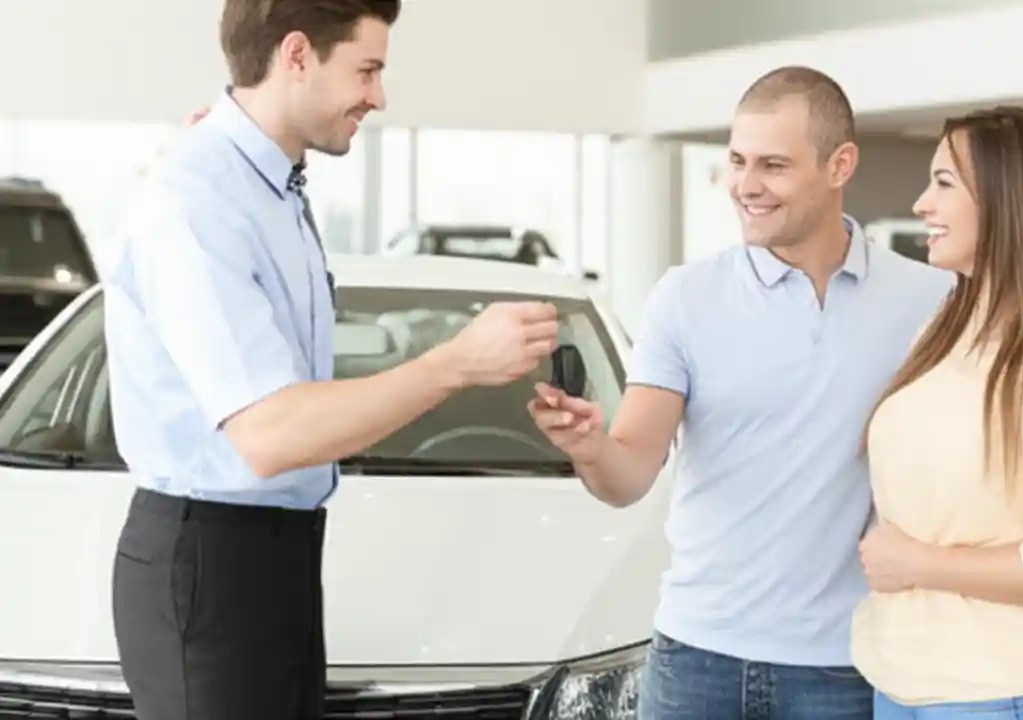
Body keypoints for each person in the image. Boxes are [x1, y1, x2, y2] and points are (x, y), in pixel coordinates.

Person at [104, 1, 558, 718]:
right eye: (368, 69)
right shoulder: (197, 198)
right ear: (296, 55)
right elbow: (270, 432)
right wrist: (458, 363)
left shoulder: (269, 188)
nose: (379, 96)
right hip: (210, 565)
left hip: (275, 560)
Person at [529, 66, 953, 719]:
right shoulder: (684, 297)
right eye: (736, 161)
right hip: (695, 657)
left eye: (774, 166)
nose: (746, 186)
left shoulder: (928, 301)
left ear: (840, 165)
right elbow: (628, 474)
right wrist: (589, 446)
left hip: (844, 666)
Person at [850, 106, 1023, 719]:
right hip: (898, 682)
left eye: (944, 183)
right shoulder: (943, 330)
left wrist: (918, 564)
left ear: (1011, 202)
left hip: (997, 694)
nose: (923, 204)